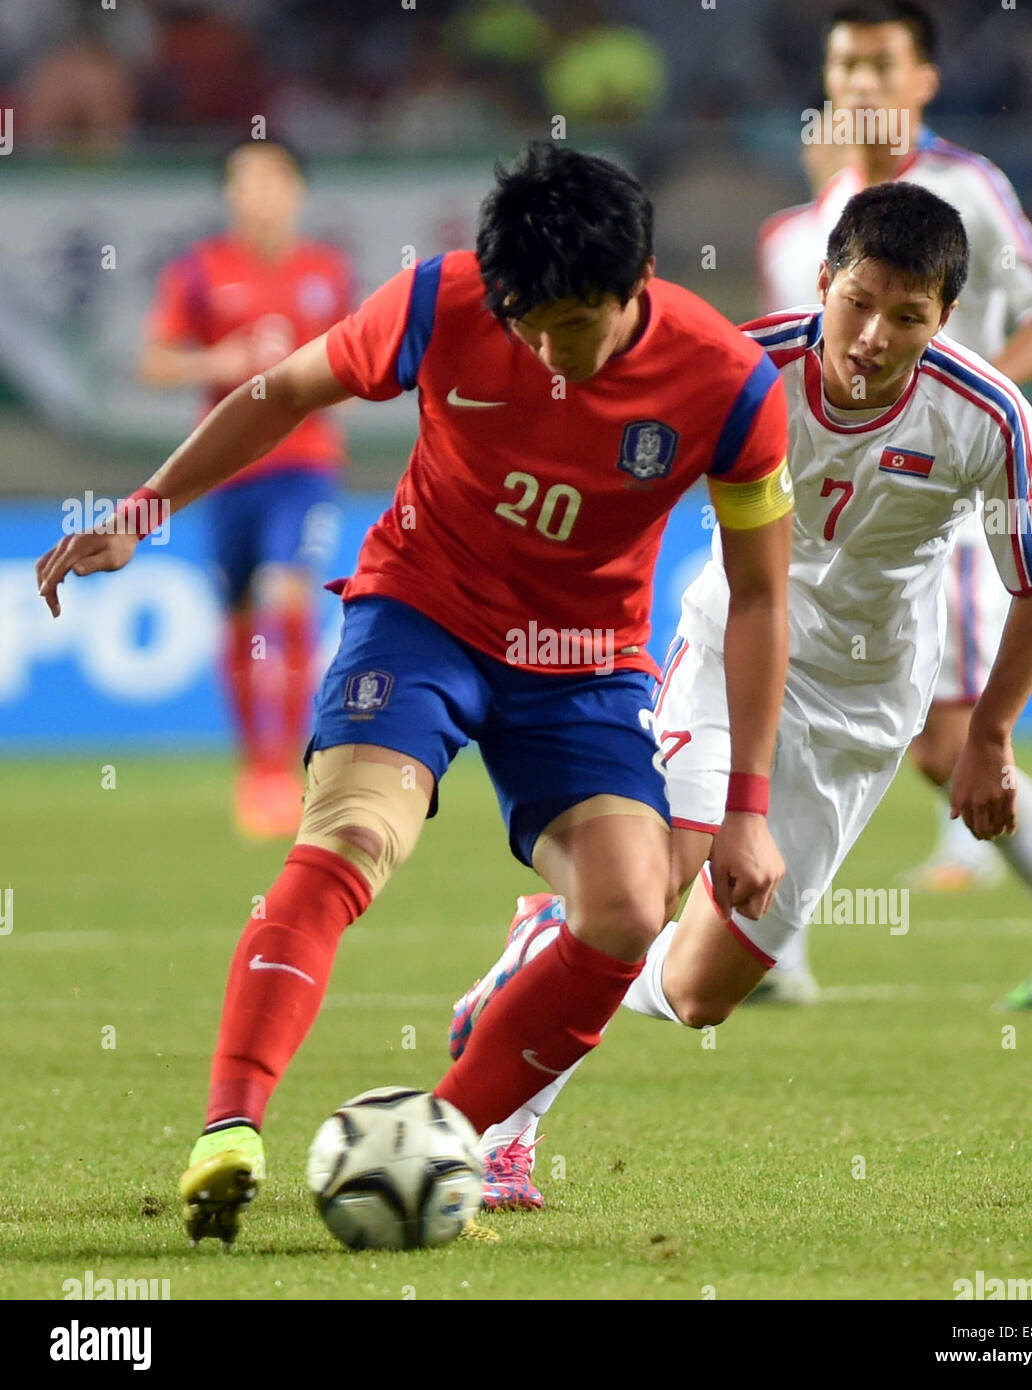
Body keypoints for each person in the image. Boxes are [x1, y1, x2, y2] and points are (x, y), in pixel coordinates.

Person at [36, 142, 793, 1246]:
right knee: (349, 836)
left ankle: (436, 1137)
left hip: (586, 660)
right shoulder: (440, 300)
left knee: (629, 909)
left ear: (636, 290)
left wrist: (749, 807)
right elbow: (282, 387)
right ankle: (230, 1127)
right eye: (523, 321)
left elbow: (764, 597)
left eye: (569, 327)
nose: (541, 349)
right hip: (423, 612)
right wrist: (141, 513)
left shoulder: (726, 386)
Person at [451, 181, 1032, 1214]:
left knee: (700, 994)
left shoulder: (987, 418)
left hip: (862, 710)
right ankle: (502, 1134)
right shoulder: (737, 364)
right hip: (727, 649)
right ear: (825, 280)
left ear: (945, 318)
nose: (872, 337)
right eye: (858, 301)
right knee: (659, 875)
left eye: (908, 317)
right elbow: (607, 449)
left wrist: (989, 736)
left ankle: (543, 943)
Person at [755, 0, 1032, 1007]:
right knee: (785, 708)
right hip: (827, 519)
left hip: (942, 507)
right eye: (845, 67)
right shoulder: (810, 222)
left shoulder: (969, 190)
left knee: (943, 742)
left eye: (881, 65)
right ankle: (771, 945)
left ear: (922, 81)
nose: (861, 86)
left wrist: (959, 409)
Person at [139, 139, 352, 839]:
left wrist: (310, 385)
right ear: (229, 194)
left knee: (286, 595)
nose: (257, 192)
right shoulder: (199, 272)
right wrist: (220, 359)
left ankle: (278, 772)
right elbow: (155, 363)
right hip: (225, 470)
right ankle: (251, 762)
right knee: (235, 615)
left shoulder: (327, 271)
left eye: (270, 178)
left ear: (296, 190)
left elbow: (356, 364)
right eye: (243, 180)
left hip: (304, 464)